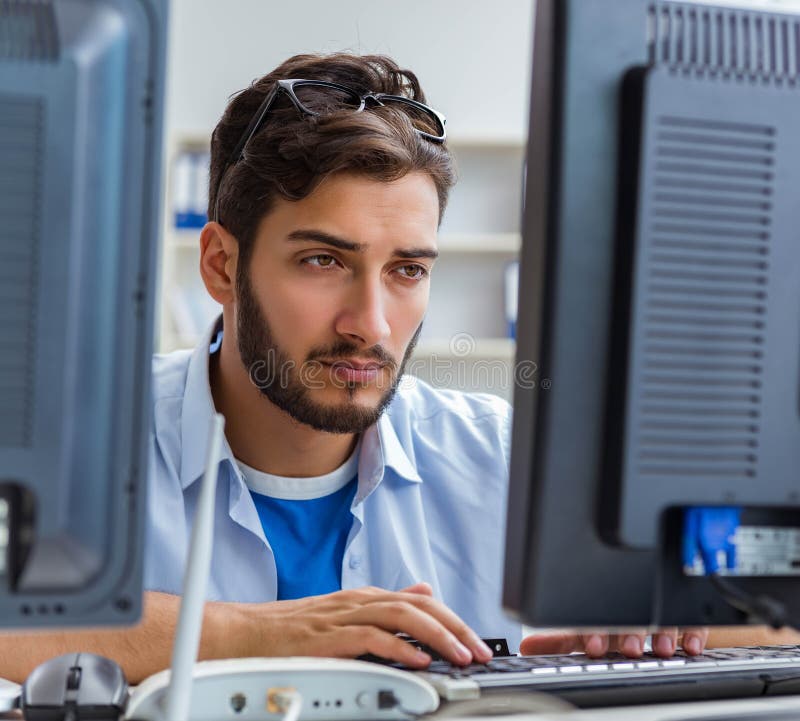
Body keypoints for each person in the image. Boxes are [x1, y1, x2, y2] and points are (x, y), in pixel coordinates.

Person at [0, 53, 794, 685]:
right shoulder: (76, 444)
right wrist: (258, 634)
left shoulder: (508, 462)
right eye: (322, 260)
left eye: (408, 270)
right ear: (219, 263)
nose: (370, 324)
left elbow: (771, 619)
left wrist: (649, 622)